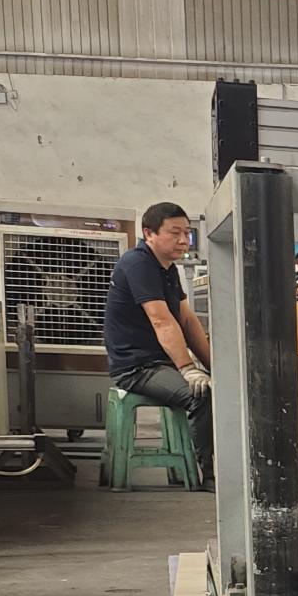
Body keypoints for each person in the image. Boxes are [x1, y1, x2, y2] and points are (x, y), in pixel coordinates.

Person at [104, 201, 214, 489]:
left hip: (159, 363)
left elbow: (187, 320)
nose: (183, 240)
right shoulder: (138, 264)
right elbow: (161, 321)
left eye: (187, 233)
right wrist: (188, 369)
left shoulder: (167, 269)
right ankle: (211, 474)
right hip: (137, 367)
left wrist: (214, 367)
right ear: (149, 233)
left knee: (220, 388)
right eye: (174, 233)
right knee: (202, 395)